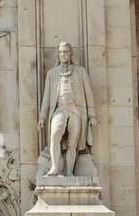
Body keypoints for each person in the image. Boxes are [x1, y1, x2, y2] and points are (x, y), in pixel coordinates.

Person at [36, 42, 97, 177]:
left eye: (66, 52)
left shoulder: (80, 71)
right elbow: (46, 97)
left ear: (71, 54)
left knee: (73, 143)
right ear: (58, 54)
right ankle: (55, 167)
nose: (64, 55)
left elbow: (88, 94)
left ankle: (69, 171)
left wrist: (92, 115)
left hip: (75, 110)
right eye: (61, 52)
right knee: (54, 136)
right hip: (59, 109)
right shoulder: (52, 73)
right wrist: (42, 117)